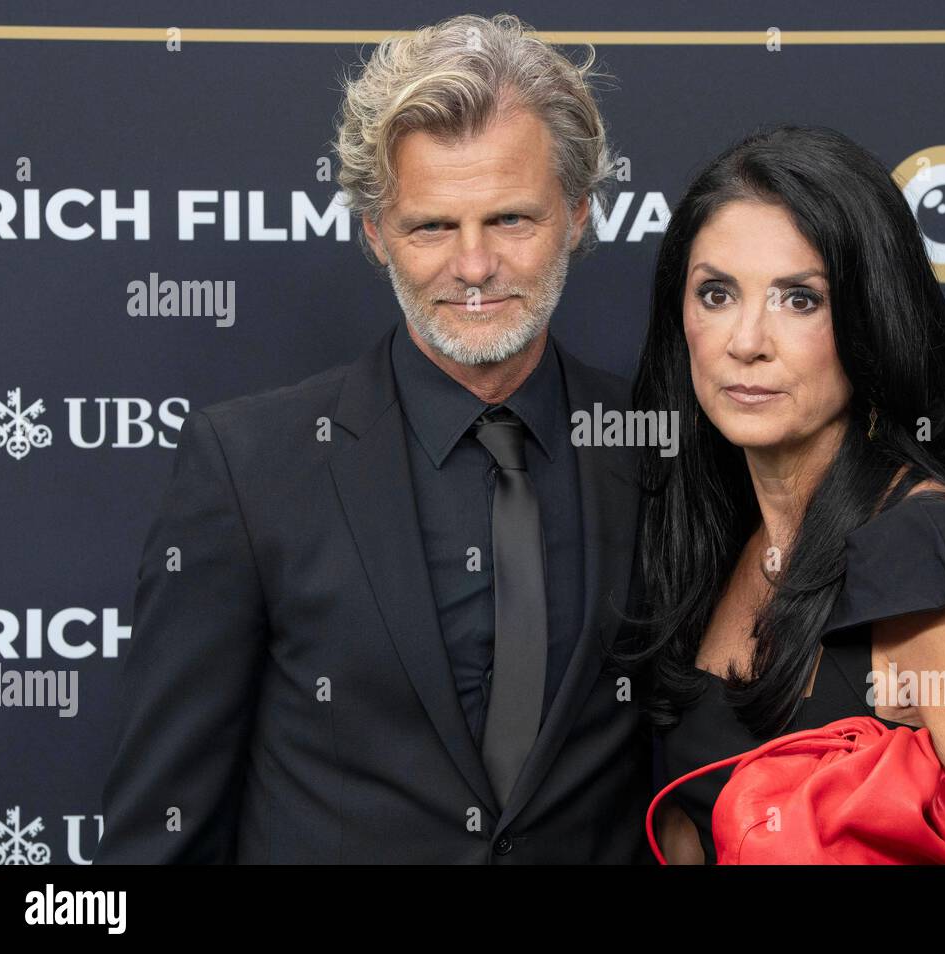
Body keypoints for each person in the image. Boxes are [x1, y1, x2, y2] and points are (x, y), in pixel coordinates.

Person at [95, 14, 652, 864]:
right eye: (432, 226)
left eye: (510, 219)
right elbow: (157, 836)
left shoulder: (657, 453)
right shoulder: (248, 469)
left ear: (577, 215)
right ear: (375, 233)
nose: (473, 267)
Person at [627, 124, 945, 864]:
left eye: (799, 299)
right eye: (717, 293)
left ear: (868, 321)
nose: (746, 340)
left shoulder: (916, 557)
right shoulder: (709, 537)